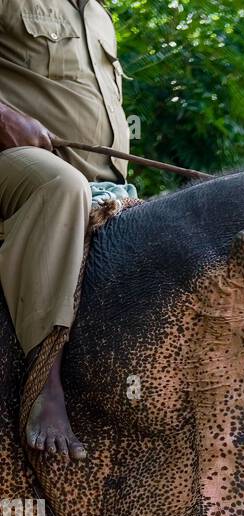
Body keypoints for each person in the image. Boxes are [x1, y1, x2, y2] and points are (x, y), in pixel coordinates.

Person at [0, 0, 135, 460]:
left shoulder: (99, 14)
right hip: (18, 168)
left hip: (105, 186)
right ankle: (44, 384)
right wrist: (4, 115)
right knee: (60, 185)